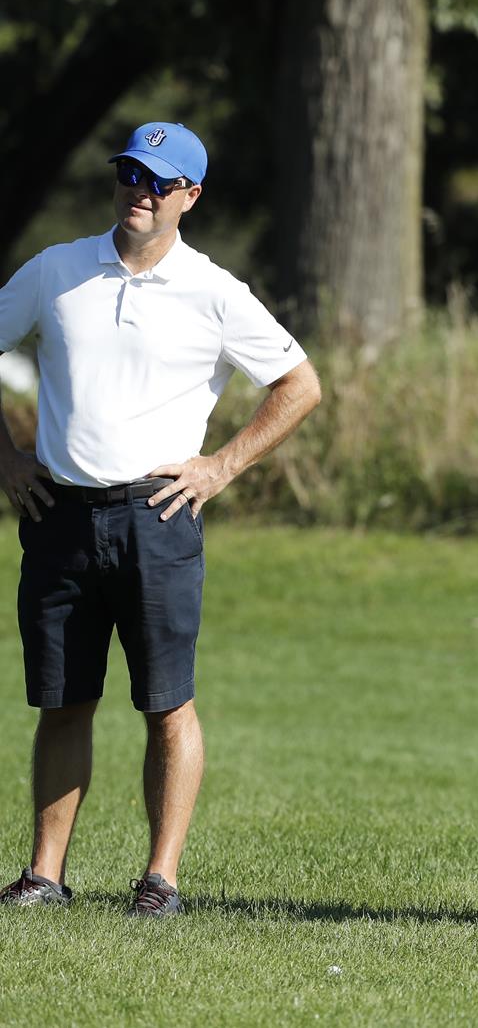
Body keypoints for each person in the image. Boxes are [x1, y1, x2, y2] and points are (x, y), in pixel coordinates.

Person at [0, 122, 321, 917]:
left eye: (157, 181)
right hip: (60, 515)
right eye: (129, 175)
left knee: (166, 704)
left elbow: (300, 385)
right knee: (62, 701)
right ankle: (44, 876)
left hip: (157, 515)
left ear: (190, 196)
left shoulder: (214, 291)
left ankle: (160, 881)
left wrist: (221, 466)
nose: (137, 192)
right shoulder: (56, 270)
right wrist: (6, 459)